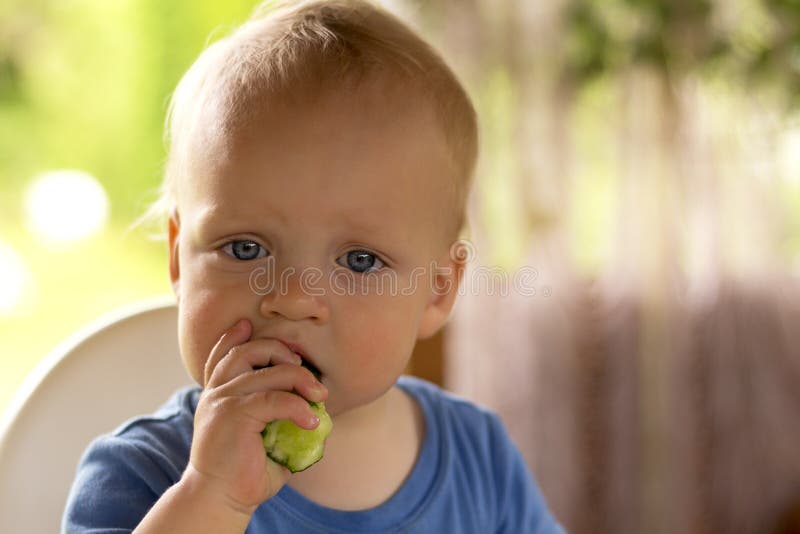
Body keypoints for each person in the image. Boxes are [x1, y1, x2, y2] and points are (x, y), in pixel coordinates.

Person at [63, 1, 565, 532]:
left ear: (437, 291)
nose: (293, 298)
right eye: (245, 249)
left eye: (359, 260)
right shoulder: (141, 476)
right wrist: (213, 497)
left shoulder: (479, 459)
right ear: (178, 260)